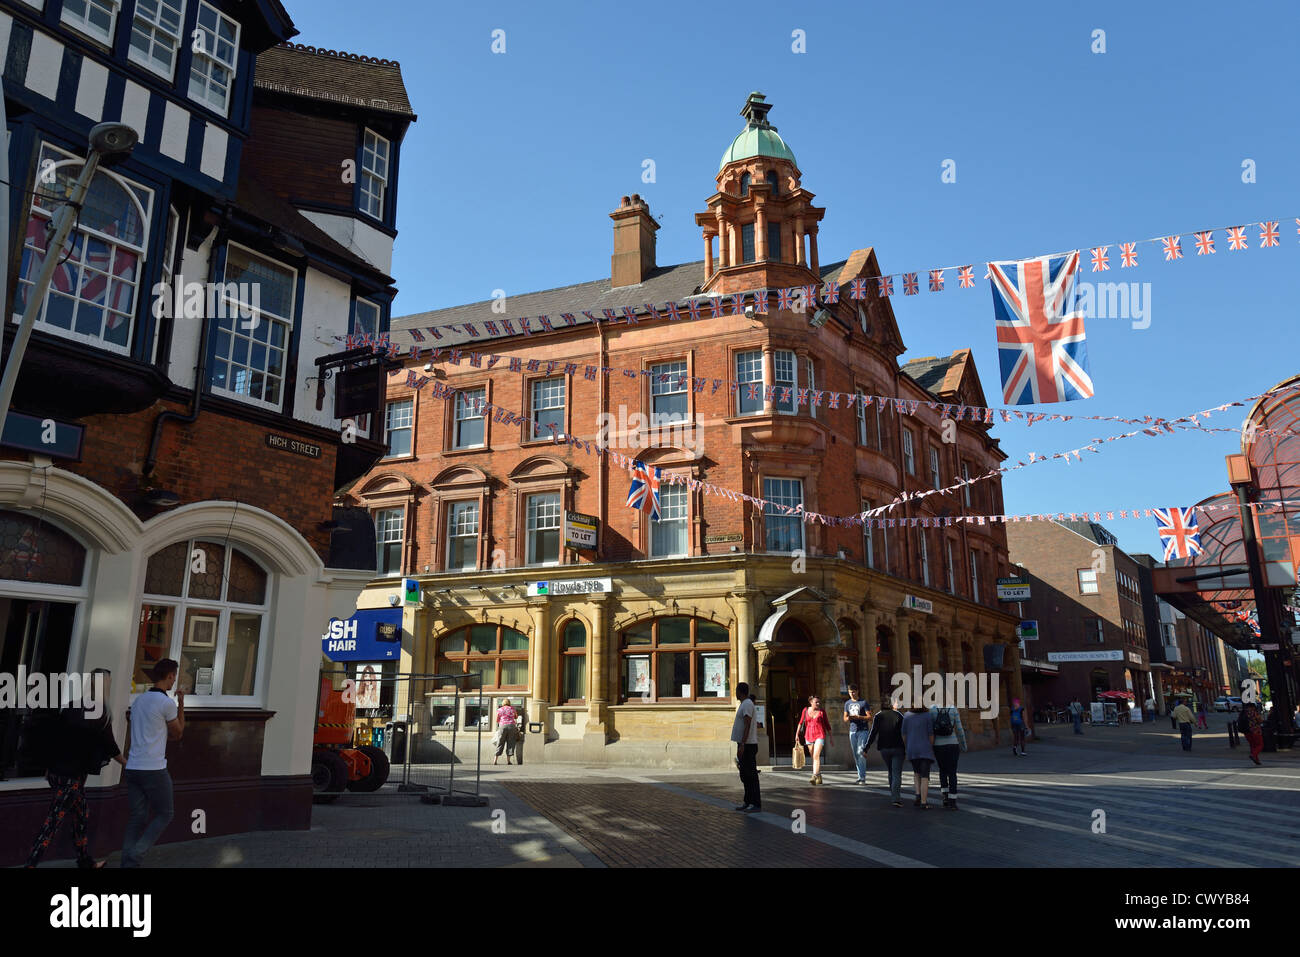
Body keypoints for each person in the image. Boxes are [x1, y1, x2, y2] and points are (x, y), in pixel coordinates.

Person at [26, 669, 126, 868]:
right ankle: (31, 864)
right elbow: (110, 745)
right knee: (53, 823)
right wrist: (127, 763)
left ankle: (85, 862)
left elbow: (56, 739)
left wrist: (49, 767)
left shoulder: (72, 707)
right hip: (71, 777)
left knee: (81, 815)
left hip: (59, 773)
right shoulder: (100, 712)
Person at [121, 659, 184, 868]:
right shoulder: (166, 703)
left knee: (137, 816)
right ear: (169, 676)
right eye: (174, 676)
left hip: (132, 767)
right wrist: (181, 703)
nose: (174, 680)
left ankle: (127, 862)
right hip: (153, 768)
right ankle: (135, 855)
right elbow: (178, 733)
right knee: (166, 813)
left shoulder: (139, 701)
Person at [865, 696, 906, 806]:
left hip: (884, 748)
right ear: (893, 704)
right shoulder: (899, 715)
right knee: (896, 773)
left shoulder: (878, 716)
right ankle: (895, 798)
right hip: (898, 747)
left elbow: (873, 733)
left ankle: (893, 794)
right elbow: (905, 733)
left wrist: (866, 748)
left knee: (890, 771)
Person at [930, 694, 967, 810]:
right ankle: (953, 801)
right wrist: (964, 744)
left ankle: (945, 797)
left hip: (938, 745)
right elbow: (959, 728)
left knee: (942, 770)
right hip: (952, 744)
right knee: (952, 772)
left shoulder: (932, 709)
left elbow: (930, 730)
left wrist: (930, 746)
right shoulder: (953, 709)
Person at [731, 682, 760, 812]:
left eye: (736, 691)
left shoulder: (747, 704)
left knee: (750, 775)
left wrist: (742, 744)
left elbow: (747, 725)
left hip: (748, 745)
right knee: (745, 775)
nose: (735, 693)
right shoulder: (744, 704)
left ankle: (755, 803)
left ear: (740, 691)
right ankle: (747, 801)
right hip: (745, 744)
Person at [900, 705, 935, 809]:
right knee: (925, 776)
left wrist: (907, 746)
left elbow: (904, 734)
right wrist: (931, 746)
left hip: (912, 748)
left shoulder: (906, 715)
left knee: (916, 773)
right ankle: (924, 802)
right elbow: (931, 734)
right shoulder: (927, 715)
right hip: (925, 748)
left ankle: (917, 795)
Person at [796, 695, 832, 785]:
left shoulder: (822, 711)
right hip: (808, 735)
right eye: (816, 702)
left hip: (820, 735)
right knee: (814, 757)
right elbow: (800, 723)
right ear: (811, 702)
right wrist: (797, 734)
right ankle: (819, 775)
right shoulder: (805, 710)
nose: (818, 704)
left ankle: (814, 775)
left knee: (816, 755)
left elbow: (827, 724)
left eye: (819, 702)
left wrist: (831, 737)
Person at [842, 685, 873, 785]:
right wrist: (850, 718)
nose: (852, 694)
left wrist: (859, 717)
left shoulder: (863, 702)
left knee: (861, 752)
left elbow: (869, 717)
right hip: (853, 731)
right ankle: (860, 776)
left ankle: (863, 777)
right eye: (850, 692)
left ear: (857, 691)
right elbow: (845, 718)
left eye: (854, 692)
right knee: (856, 754)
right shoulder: (847, 703)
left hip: (863, 730)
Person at [493, 699, 519, 765]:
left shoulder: (500, 709)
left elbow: (497, 719)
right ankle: (508, 761)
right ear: (509, 703)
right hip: (511, 726)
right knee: (510, 742)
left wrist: (502, 722)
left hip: (503, 726)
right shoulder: (512, 709)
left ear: (503, 703)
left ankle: (495, 760)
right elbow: (516, 717)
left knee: (500, 742)